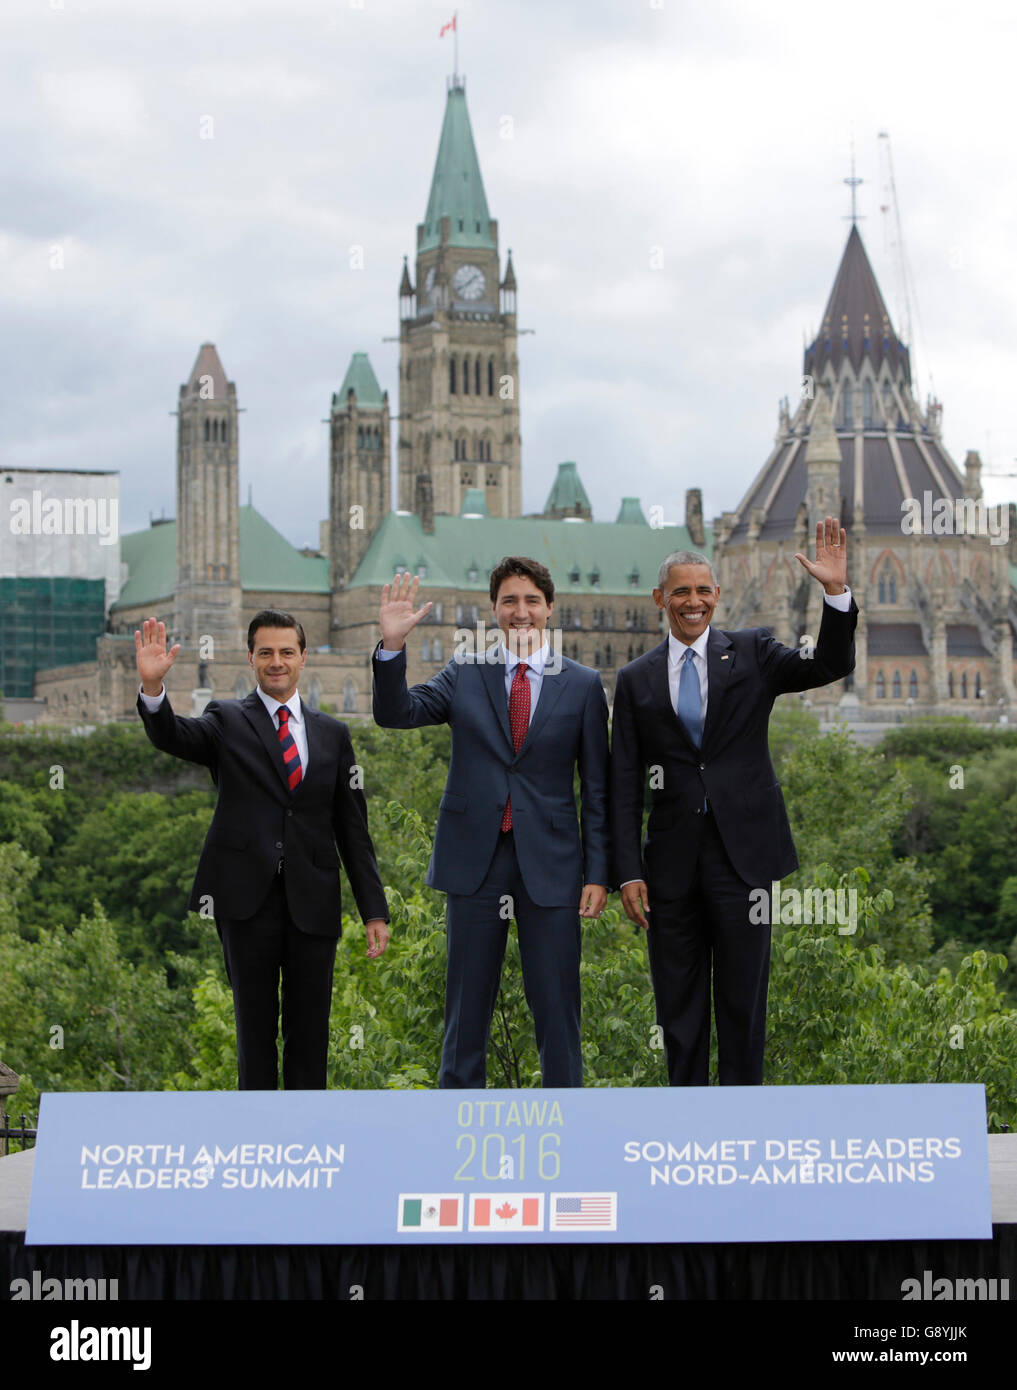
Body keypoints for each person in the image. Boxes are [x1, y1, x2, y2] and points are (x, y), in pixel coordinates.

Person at [611, 517, 857, 1086]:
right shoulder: (635, 679)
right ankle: (687, 1122)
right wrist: (626, 871)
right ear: (659, 599)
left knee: (745, 1005)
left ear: (717, 596)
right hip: (668, 871)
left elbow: (829, 665)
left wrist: (836, 594)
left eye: (703, 591)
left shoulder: (752, 652)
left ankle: (740, 1122)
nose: (692, 603)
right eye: (681, 592)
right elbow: (623, 783)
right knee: (679, 1008)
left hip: (744, 860)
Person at [372, 557, 610, 1088]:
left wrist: (599, 873)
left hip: (551, 867)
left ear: (549, 608)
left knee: (557, 1009)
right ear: (494, 610)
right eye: (509, 601)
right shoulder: (465, 672)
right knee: (465, 1013)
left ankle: (565, 1123)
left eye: (530, 600)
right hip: (474, 863)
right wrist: (391, 647)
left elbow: (597, 790)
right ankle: (458, 1127)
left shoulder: (583, 684)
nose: (520, 611)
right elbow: (396, 714)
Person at [135, 610, 390, 1090]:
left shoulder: (333, 734)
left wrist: (373, 910)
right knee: (254, 1032)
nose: (277, 662)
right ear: (251, 658)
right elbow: (173, 735)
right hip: (244, 900)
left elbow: (353, 830)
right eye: (267, 653)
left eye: (286, 652)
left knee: (310, 1031)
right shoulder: (227, 719)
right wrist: (153, 690)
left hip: (313, 901)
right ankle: (256, 1139)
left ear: (303, 658)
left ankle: (304, 1136)